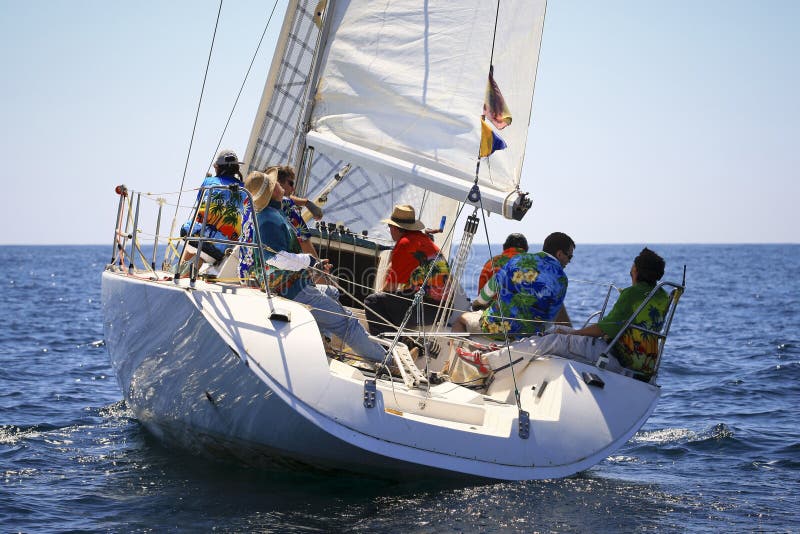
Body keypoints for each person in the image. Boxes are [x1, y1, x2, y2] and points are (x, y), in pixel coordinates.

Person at [243, 169, 386, 363]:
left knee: (332, 293)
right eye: (274, 184)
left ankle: (323, 342)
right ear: (273, 192)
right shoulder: (269, 219)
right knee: (348, 322)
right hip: (292, 290)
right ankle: (386, 363)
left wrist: (315, 264)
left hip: (290, 286)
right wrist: (310, 261)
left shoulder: (271, 212)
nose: (279, 185)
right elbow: (274, 258)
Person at [525, 247, 669, 379]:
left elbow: (603, 330)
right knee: (558, 330)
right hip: (645, 363)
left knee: (554, 339)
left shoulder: (632, 294)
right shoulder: (661, 295)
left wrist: (572, 334)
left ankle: (512, 357)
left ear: (636, 271)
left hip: (618, 357)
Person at [452, 232, 575, 339]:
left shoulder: (519, 259)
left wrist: (478, 303)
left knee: (461, 320)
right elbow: (550, 318)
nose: (569, 262)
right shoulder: (562, 279)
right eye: (569, 257)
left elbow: (492, 286)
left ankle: (460, 358)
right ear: (559, 254)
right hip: (529, 335)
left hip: (496, 327)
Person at [363, 204, 451, 336]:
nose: (389, 230)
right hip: (443, 310)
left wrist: (380, 294)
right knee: (393, 299)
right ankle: (402, 342)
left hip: (427, 310)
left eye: (389, 226)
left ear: (395, 227)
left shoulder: (405, 244)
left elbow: (390, 289)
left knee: (373, 302)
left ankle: (387, 349)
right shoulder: (424, 240)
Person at [180, 149, 245, 267]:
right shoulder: (244, 189)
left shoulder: (209, 182)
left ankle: (180, 270)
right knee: (207, 244)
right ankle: (189, 271)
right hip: (223, 248)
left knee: (196, 235)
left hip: (197, 237)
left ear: (218, 167)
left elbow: (200, 201)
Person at [274, 165, 322, 259]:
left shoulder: (253, 202)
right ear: (278, 183)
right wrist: (318, 267)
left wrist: (306, 202)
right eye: (291, 183)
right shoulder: (287, 205)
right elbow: (303, 239)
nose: (293, 189)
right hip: (281, 268)